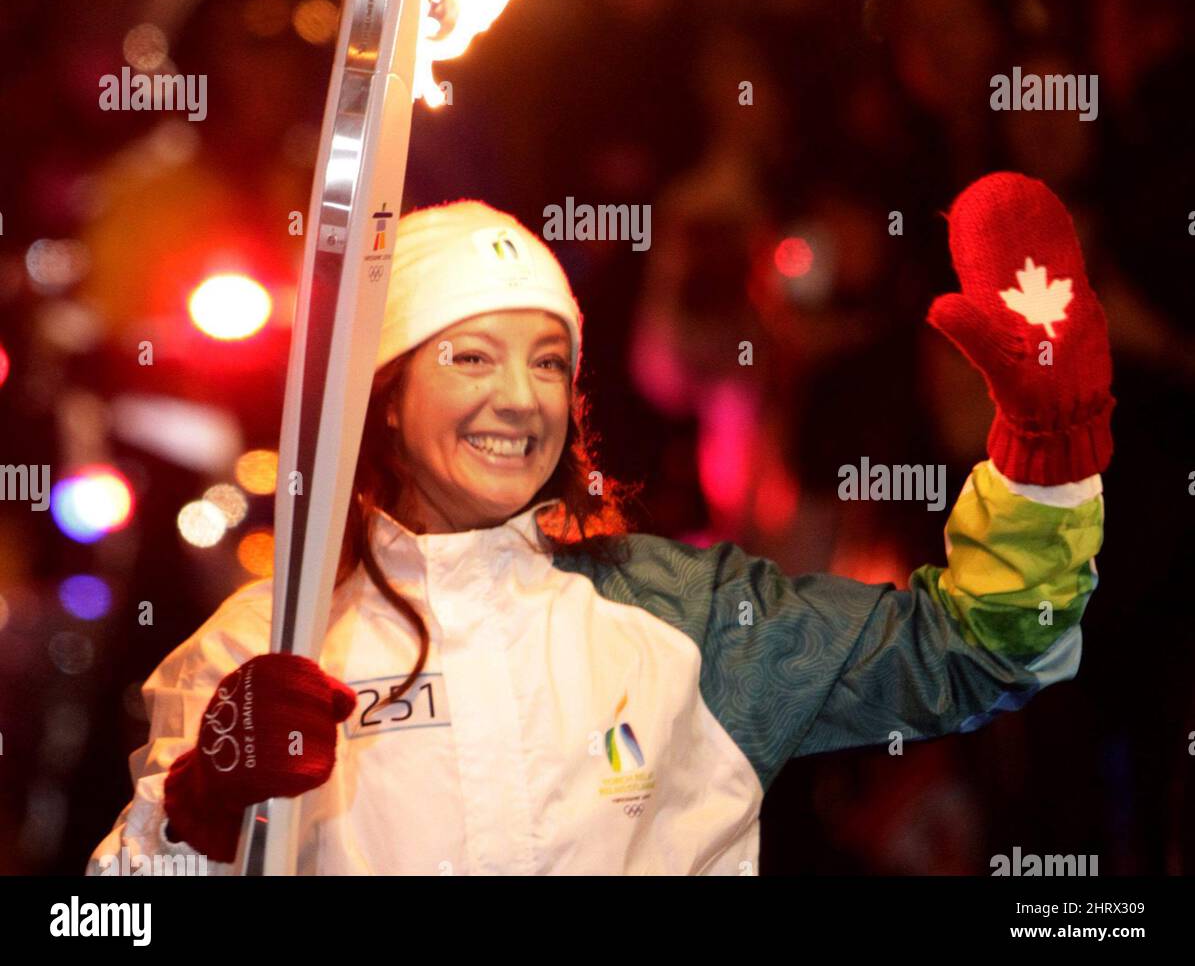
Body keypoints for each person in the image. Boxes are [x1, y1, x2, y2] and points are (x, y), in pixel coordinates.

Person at [86, 174, 1112, 876]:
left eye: (547, 359)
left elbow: (970, 653)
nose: (522, 398)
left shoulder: (680, 613)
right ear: (384, 393)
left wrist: (1047, 468)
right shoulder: (257, 649)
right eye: (471, 356)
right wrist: (199, 810)